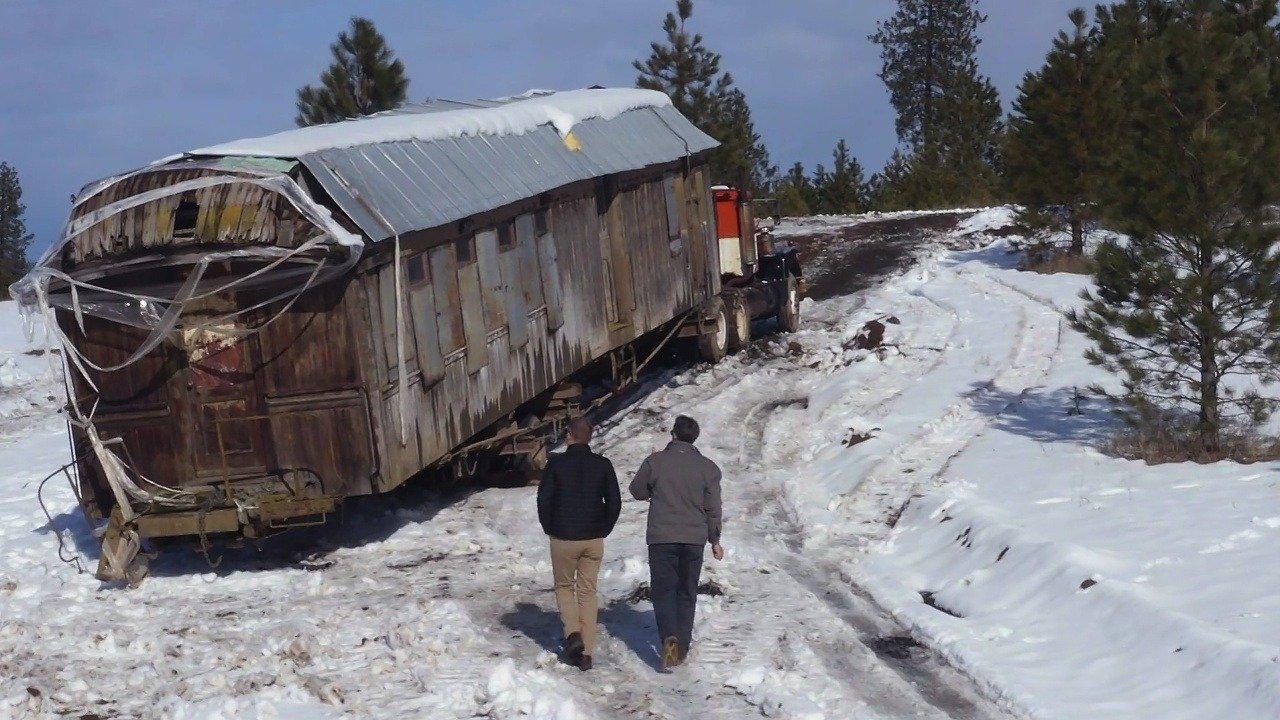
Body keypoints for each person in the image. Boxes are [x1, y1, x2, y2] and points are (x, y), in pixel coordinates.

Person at [628, 415, 724, 671]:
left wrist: (653, 485)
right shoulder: (709, 468)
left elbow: (636, 491)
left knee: (663, 591)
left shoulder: (655, 461)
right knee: (687, 591)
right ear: (695, 438)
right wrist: (714, 539)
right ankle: (681, 647)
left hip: (662, 537)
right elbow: (713, 507)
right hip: (694, 539)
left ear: (673, 434)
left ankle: (668, 635)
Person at [536, 417, 621, 672]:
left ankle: (573, 633)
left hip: (563, 538)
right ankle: (587, 652)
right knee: (588, 592)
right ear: (590, 438)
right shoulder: (603, 465)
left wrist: (549, 527)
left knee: (564, 587)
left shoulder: (557, 464)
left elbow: (544, 500)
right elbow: (614, 503)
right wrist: (604, 527)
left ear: (569, 436)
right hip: (593, 539)